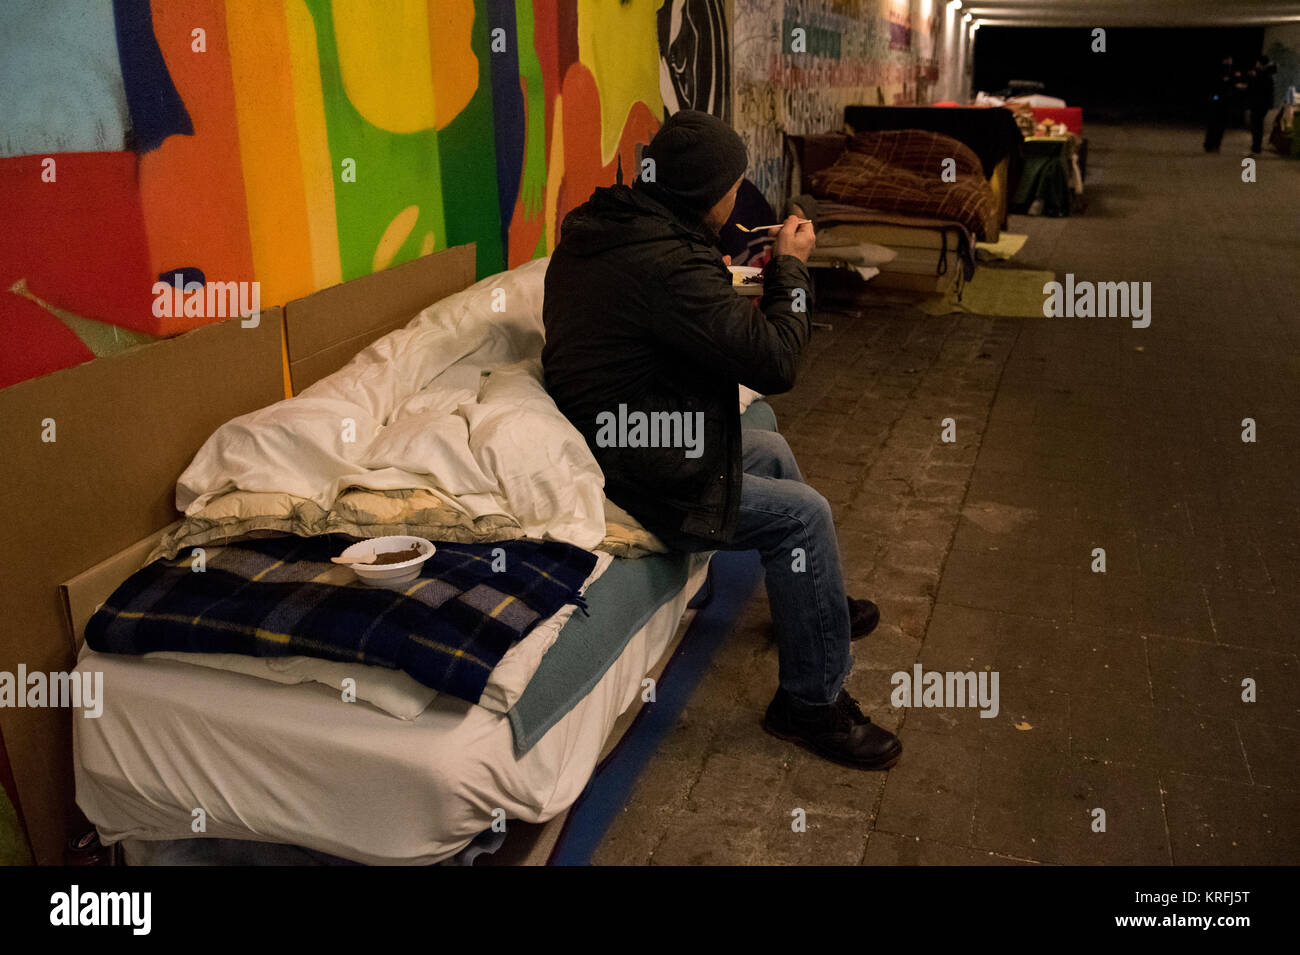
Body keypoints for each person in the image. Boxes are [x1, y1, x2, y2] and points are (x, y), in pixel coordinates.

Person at [542, 110, 903, 771]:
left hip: (626, 424)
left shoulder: (618, 224)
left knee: (770, 451)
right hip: (634, 463)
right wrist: (792, 269)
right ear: (709, 195)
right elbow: (776, 364)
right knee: (805, 515)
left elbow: (671, 313)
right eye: (735, 184)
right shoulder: (667, 266)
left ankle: (818, 608)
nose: (741, 196)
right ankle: (808, 705)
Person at [1204, 55, 1238, 153]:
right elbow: (1217, 84)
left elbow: (1231, 83)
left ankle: (1216, 145)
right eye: (1228, 60)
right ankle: (1209, 145)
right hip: (1218, 100)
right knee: (1213, 124)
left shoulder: (1232, 72)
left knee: (1221, 125)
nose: (1230, 62)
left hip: (1226, 101)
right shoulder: (1220, 71)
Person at [1245, 54, 1277, 154]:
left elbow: (1260, 89)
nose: (1256, 65)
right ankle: (1256, 146)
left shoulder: (1264, 75)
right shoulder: (1265, 74)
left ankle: (1256, 147)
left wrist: (1255, 78)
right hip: (1262, 104)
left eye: (1257, 63)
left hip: (1259, 104)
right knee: (1257, 125)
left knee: (1256, 125)